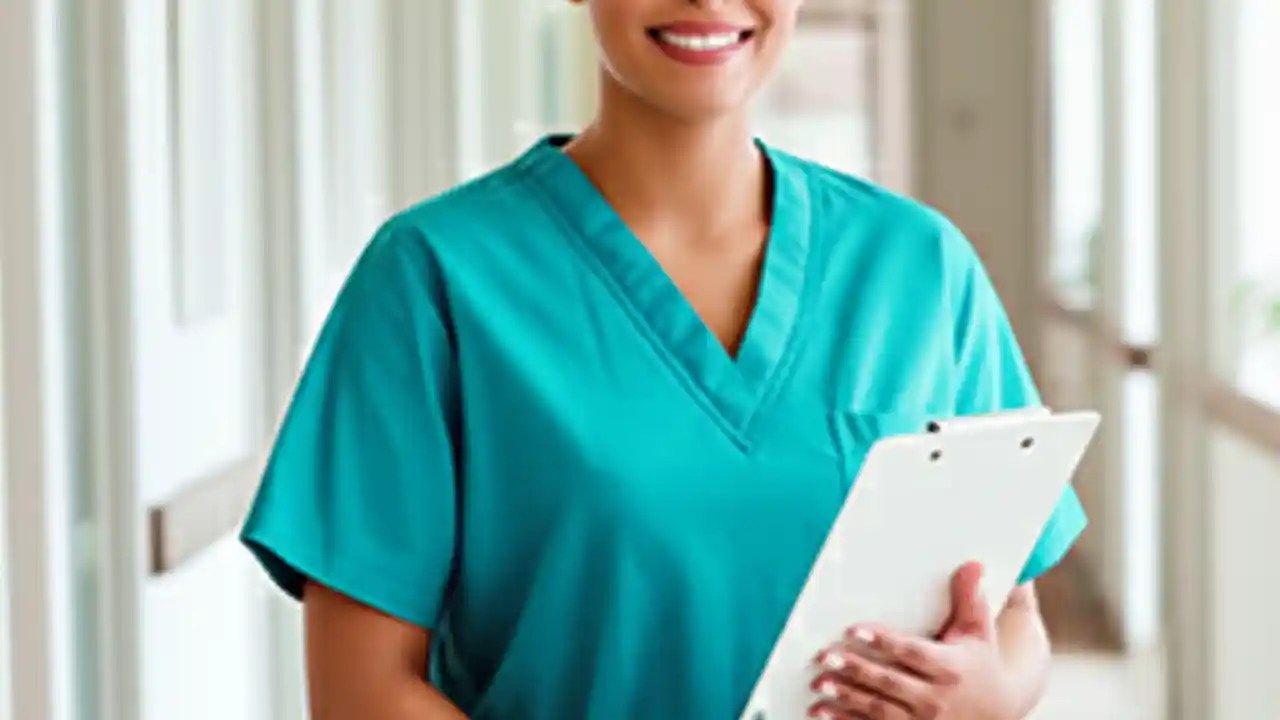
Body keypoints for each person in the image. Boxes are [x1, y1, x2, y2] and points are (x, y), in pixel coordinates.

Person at [240, 0, 1086, 718]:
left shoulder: (918, 267)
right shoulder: (434, 277)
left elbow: (1012, 615)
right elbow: (361, 692)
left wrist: (986, 694)